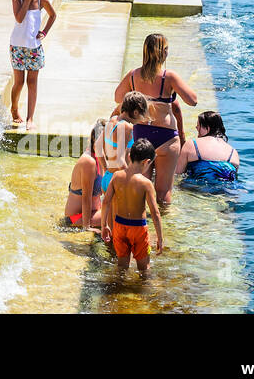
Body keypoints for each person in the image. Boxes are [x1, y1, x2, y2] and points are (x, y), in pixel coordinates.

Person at [113, 33, 198, 205]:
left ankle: (142, 224)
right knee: (163, 191)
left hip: (141, 136)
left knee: (141, 189)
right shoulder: (169, 77)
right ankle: (164, 228)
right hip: (166, 137)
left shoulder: (133, 75)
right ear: (163, 52)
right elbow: (193, 100)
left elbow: (118, 97)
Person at [101, 138, 163, 274]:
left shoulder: (117, 176)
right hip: (138, 229)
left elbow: (105, 202)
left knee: (122, 266)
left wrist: (104, 225)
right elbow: (155, 213)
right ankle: (143, 294)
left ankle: (119, 289)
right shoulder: (146, 183)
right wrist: (160, 238)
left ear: (129, 156)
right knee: (144, 269)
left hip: (119, 226)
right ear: (146, 162)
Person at [8, 0, 56, 128]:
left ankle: (30, 118)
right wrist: (27, 0)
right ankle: (14, 109)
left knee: (32, 82)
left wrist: (44, 32)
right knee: (19, 82)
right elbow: (19, 19)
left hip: (34, 48)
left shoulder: (42, 1)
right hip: (18, 47)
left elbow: (53, 15)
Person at [176, 110, 240, 185]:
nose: (196, 127)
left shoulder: (192, 144)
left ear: (208, 128)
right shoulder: (233, 152)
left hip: (196, 189)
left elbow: (177, 173)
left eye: (198, 125)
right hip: (227, 191)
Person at [65, 120, 108, 229]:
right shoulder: (89, 161)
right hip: (77, 218)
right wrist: (87, 227)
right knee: (116, 216)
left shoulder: (99, 158)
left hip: (93, 213)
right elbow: (86, 197)